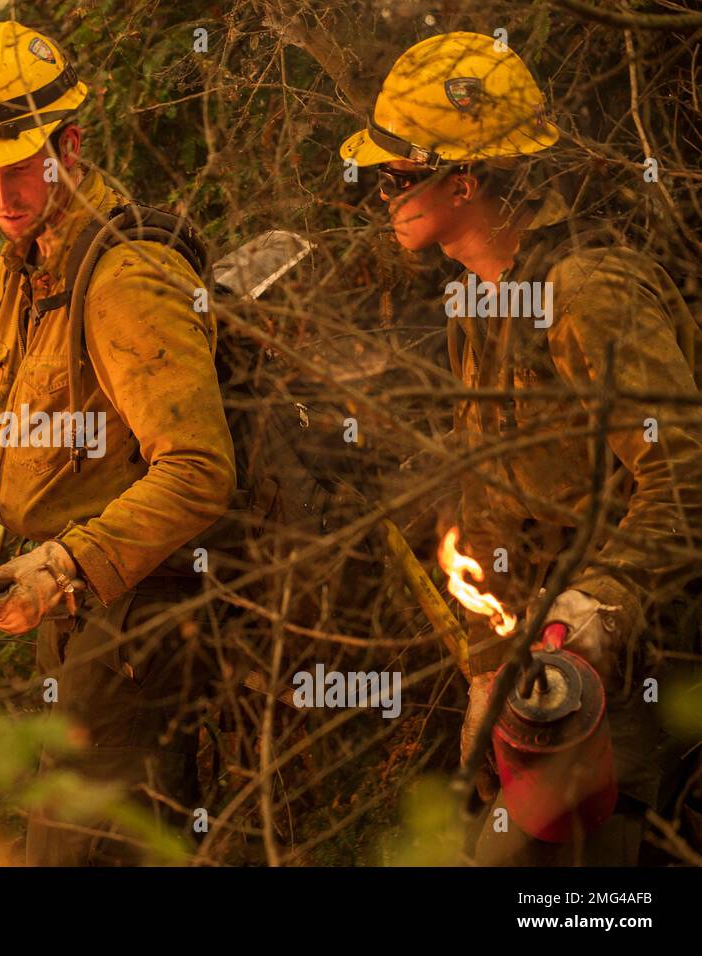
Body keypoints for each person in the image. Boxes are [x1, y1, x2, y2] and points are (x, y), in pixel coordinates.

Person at [340, 31, 702, 864]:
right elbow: (491, 498)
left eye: (396, 179)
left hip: (644, 673)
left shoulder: (585, 290)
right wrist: (487, 663)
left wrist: (602, 602)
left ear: (462, 182)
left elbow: (684, 475)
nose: (379, 197)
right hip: (545, 673)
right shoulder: (479, 298)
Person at [0, 17, 236, 865]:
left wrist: (62, 567)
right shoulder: (28, 259)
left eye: (17, 169)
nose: (1, 197)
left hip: (139, 622)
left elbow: (200, 471)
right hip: (79, 618)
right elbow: (3, 397)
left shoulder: (125, 273)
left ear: (71, 144)